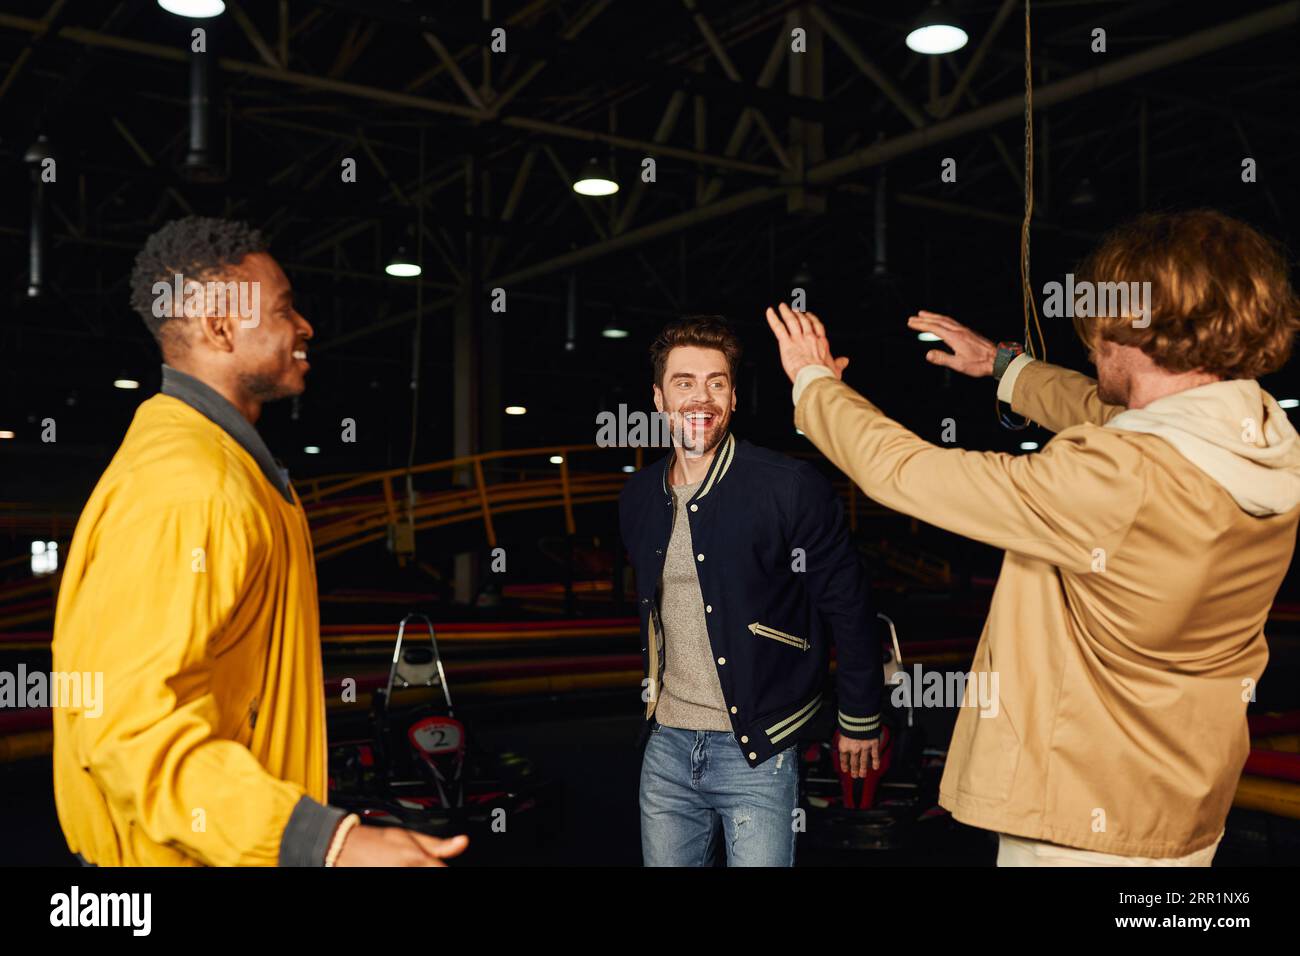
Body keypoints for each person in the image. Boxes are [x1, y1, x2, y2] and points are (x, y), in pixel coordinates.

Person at [765, 209, 1300, 866]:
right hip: (1181, 801)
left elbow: (904, 472)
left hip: (1081, 822)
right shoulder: (1265, 443)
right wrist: (1003, 367)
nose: (1088, 342)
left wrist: (814, 384)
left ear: (1131, 325)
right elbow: (1106, 411)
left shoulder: (1116, 479)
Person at [51, 216, 467, 867]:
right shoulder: (190, 484)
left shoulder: (221, 463)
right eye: (283, 308)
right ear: (220, 326)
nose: (304, 326)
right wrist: (327, 841)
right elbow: (131, 731)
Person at [619, 315, 883, 866]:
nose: (701, 396)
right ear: (658, 398)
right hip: (665, 745)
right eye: (684, 382)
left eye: (716, 382)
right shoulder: (639, 495)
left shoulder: (789, 486)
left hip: (759, 748)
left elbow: (849, 605)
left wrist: (859, 717)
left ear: (734, 397)